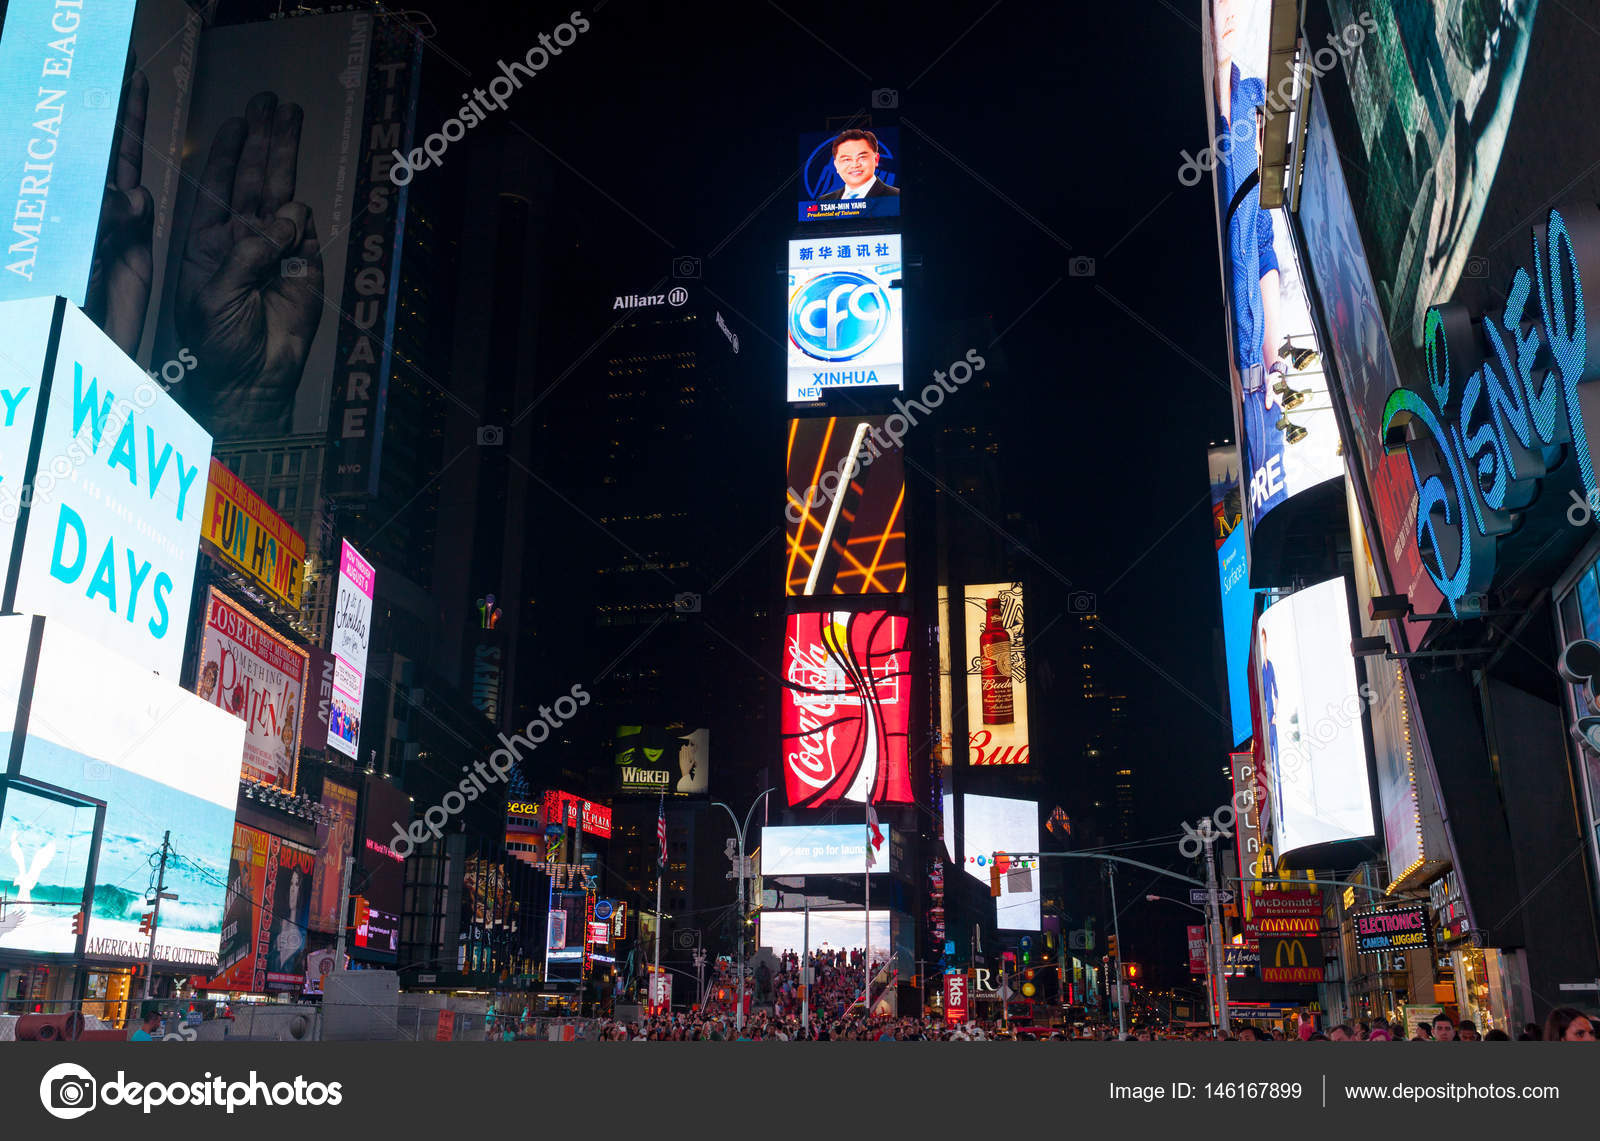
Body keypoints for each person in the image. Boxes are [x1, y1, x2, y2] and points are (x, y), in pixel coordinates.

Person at [817, 129, 900, 201]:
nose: (855, 165)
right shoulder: (824, 201)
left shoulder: (897, 197)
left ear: (876, 159)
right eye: (846, 159)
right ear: (836, 165)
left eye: (862, 157)